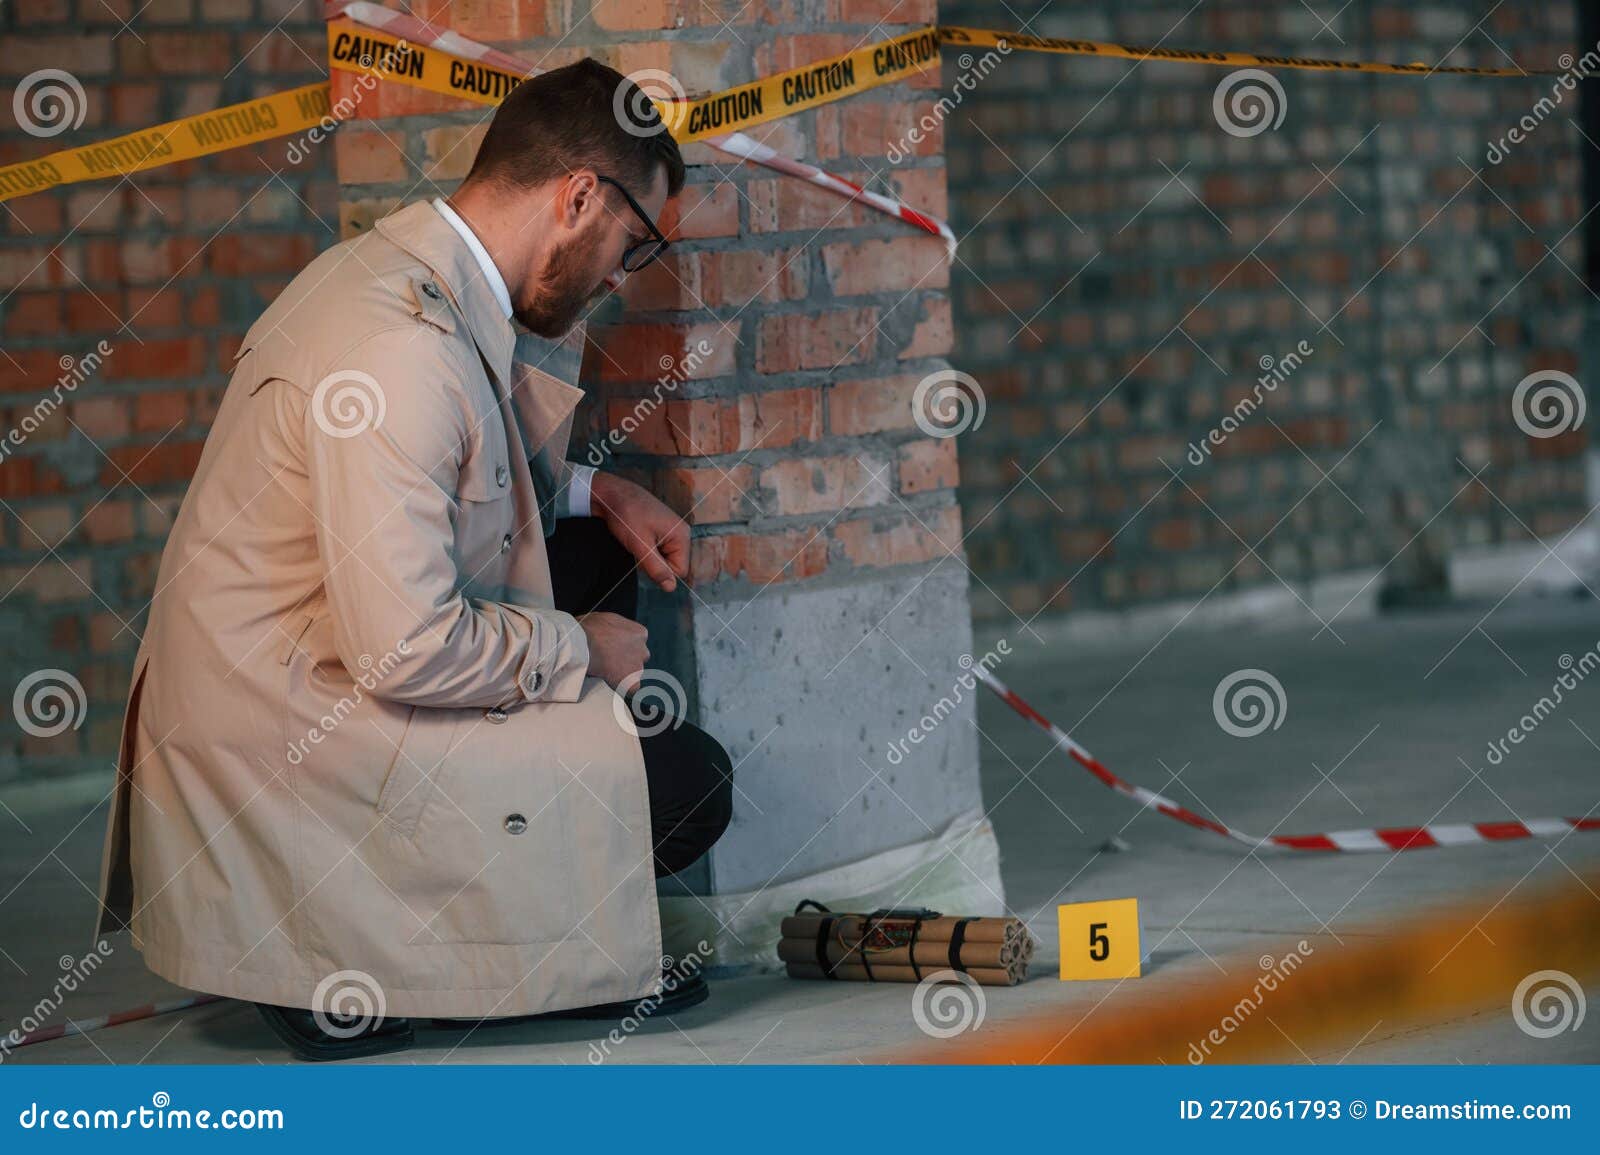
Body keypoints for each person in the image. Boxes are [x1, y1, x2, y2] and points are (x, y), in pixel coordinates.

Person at [94, 59, 734, 1061]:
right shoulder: (397, 345)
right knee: (685, 785)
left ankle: (490, 928)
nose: (622, 277)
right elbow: (401, 651)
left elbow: (447, 473)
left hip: (292, 675)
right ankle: (362, 968)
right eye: (635, 240)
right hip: (293, 735)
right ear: (578, 196)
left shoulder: (395, 274)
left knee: (590, 559)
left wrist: (596, 491)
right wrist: (579, 653)